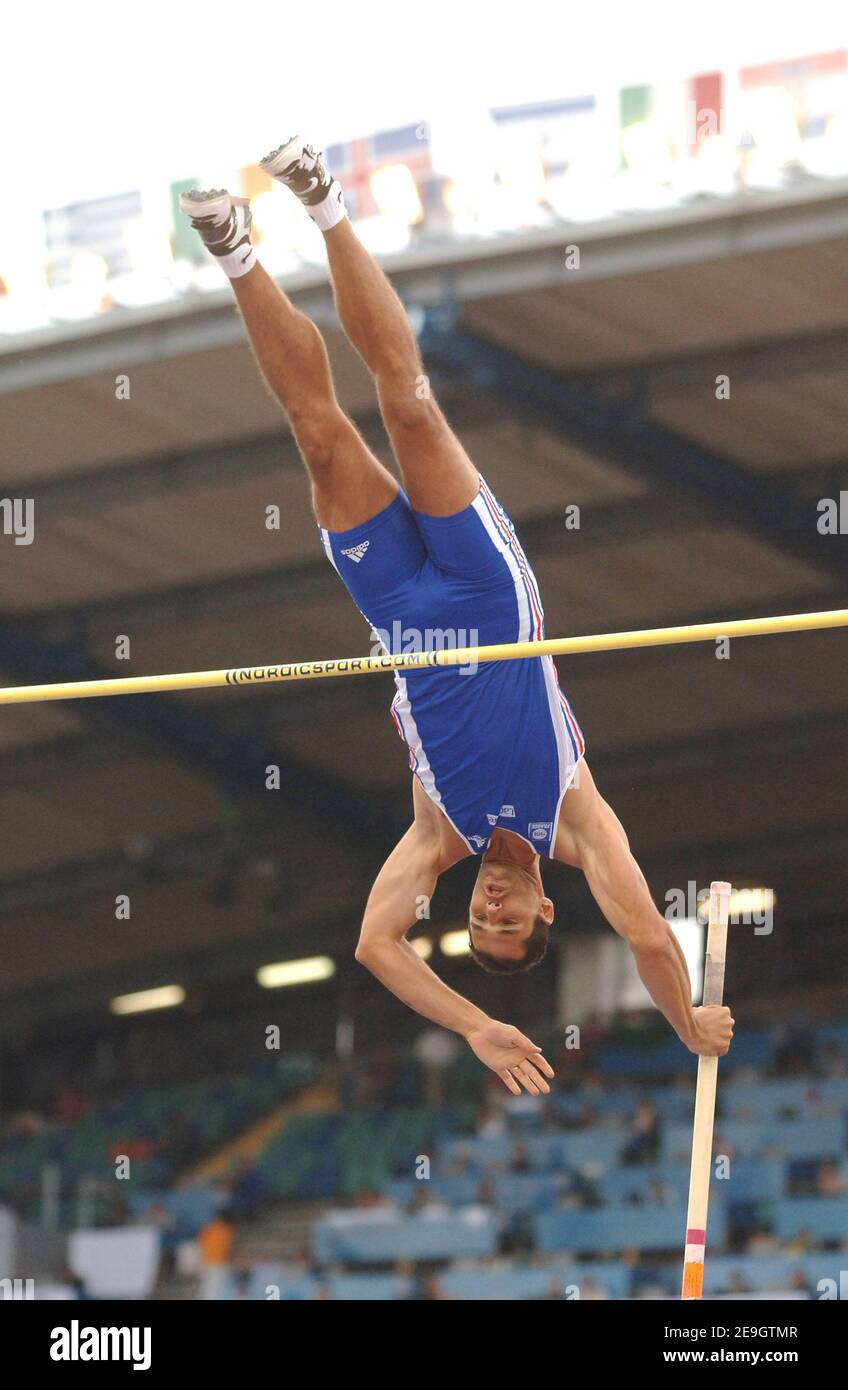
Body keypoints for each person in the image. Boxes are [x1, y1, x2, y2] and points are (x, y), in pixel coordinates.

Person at [181, 137, 734, 1098]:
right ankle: (323, 203)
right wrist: (686, 1023)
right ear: (546, 913)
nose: (490, 907)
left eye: (478, 922)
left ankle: (234, 249)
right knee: (411, 407)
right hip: (489, 597)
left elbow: (374, 945)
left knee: (320, 437)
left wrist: (481, 1026)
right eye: (507, 921)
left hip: (402, 614)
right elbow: (647, 928)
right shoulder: (575, 816)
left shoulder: (438, 835)